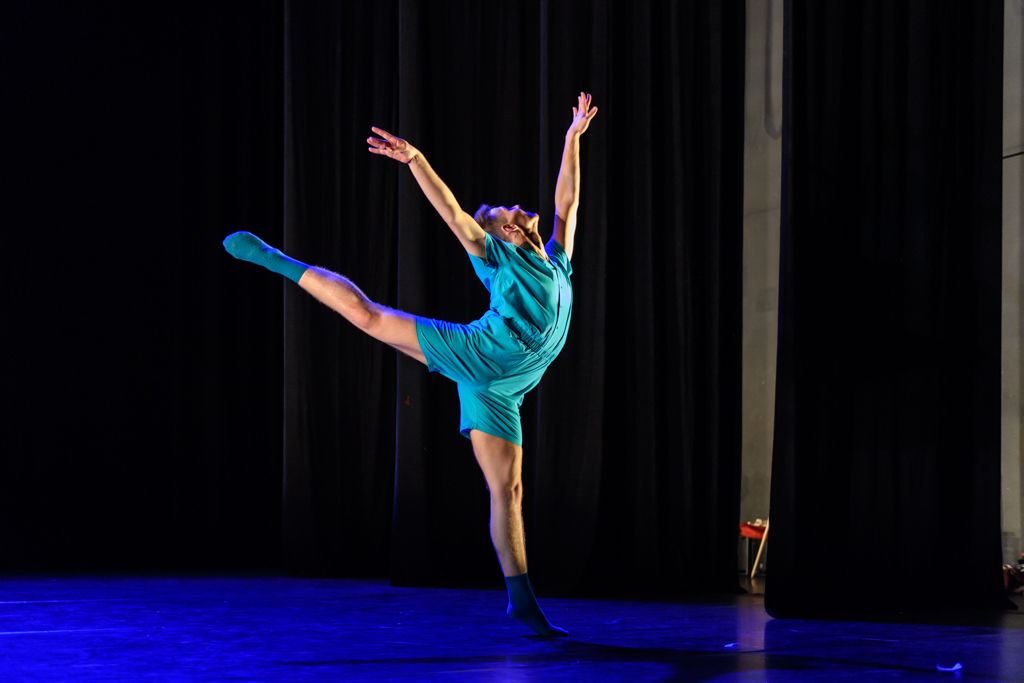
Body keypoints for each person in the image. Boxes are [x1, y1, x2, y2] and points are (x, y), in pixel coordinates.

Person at [223, 92, 598, 637]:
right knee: (372, 317)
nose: (510, 205)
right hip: (479, 352)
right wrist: (416, 160)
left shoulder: (557, 260)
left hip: (504, 390)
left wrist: (571, 140)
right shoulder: (496, 255)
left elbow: (569, 204)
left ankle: (521, 602)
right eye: (500, 210)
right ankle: (276, 260)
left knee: (508, 492)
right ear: (505, 231)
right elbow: (453, 213)